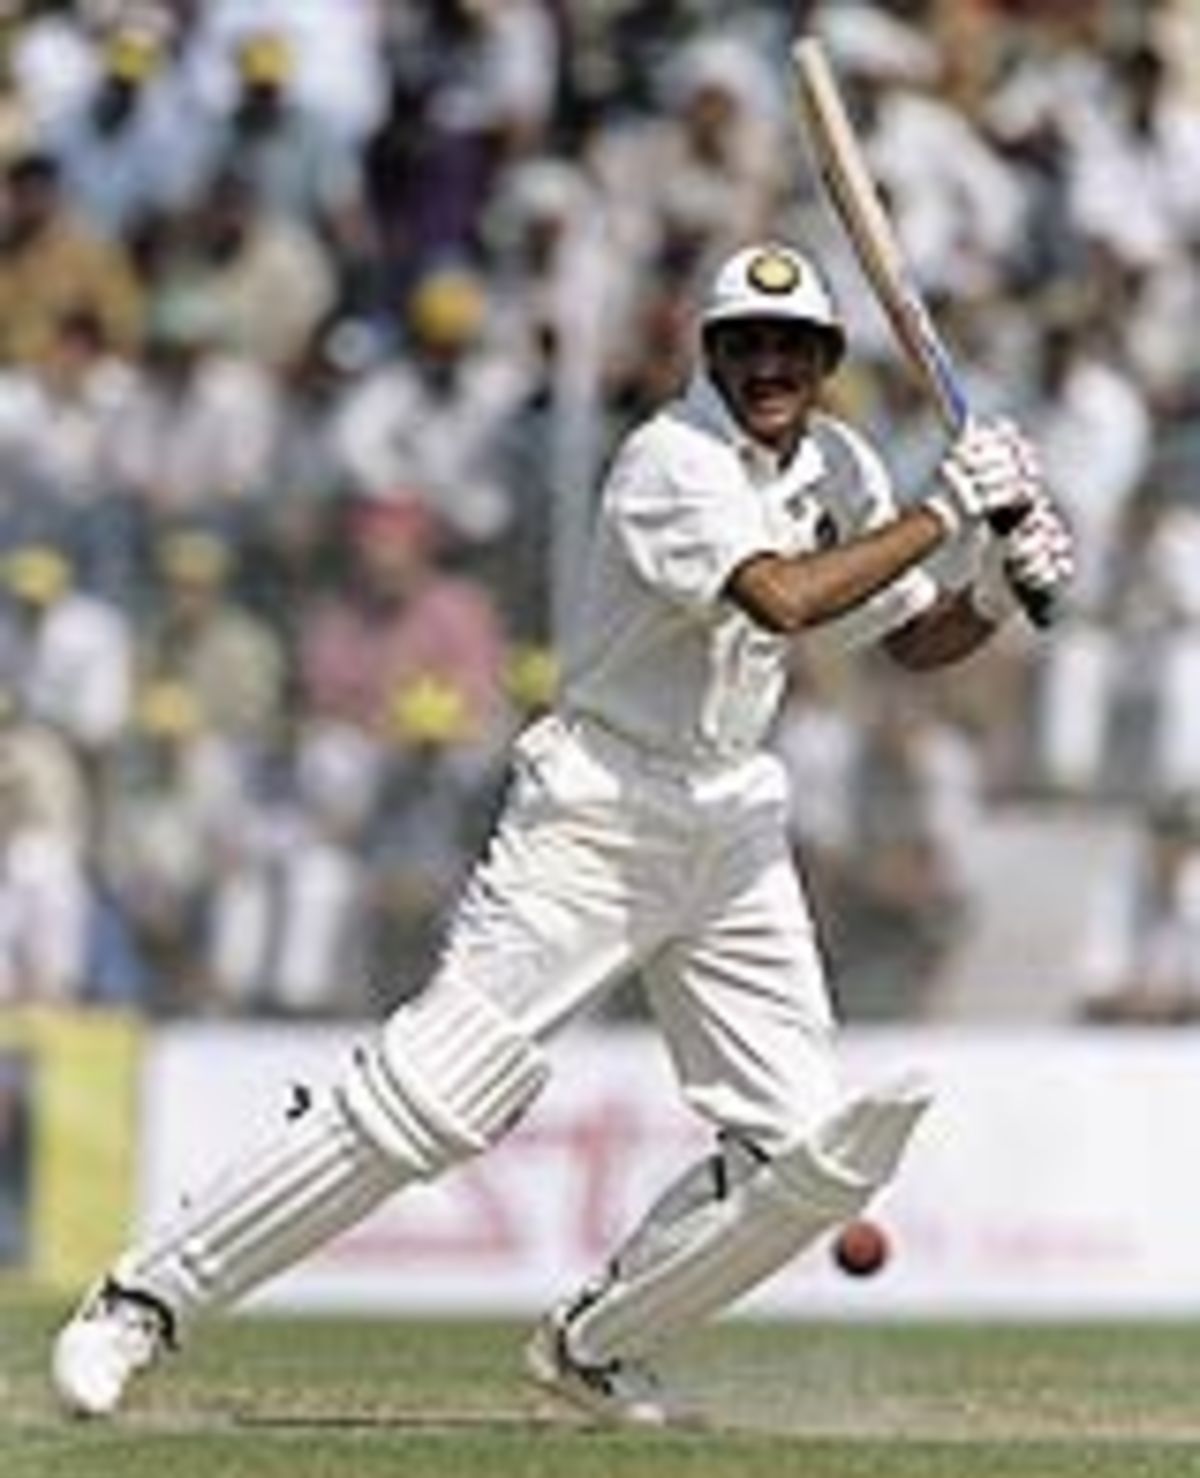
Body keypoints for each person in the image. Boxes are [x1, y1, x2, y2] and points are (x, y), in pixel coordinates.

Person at [51, 242, 1074, 1426]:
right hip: (597, 809)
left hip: (732, 814)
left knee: (806, 1159)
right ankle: (139, 1302)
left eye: (794, 346)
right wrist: (948, 508)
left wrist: (996, 590)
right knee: (432, 1096)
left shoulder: (838, 460)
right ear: (711, 352)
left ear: (828, 360)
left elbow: (905, 636)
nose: (770, 365)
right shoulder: (669, 461)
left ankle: (593, 1348)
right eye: (745, 342)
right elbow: (782, 598)